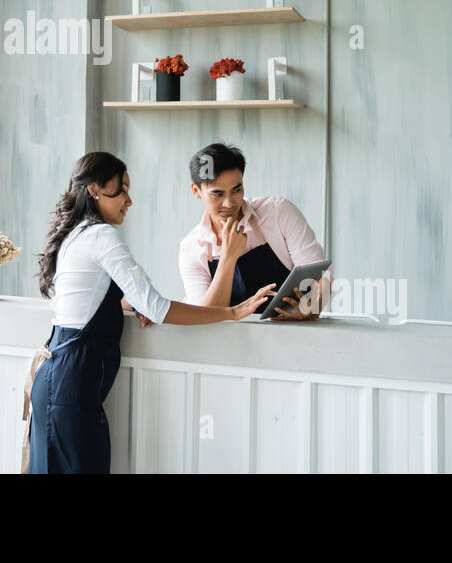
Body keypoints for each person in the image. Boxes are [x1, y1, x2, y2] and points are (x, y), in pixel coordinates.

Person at [24, 151, 276, 474]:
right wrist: (230, 312)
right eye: (122, 190)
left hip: (58, 382)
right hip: (70, 387)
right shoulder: (101, 236)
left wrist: (126, 303)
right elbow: (157, 307)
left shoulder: (76, 235)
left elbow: (86, 300)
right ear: (94, 191)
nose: (129, 200)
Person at [178, 142, 331, 318]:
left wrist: (312, 308)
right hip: (225, 342)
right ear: (196, 190)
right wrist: (228, 257)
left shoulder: (278, 212)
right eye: (218, 194)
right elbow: (204, 317)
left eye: (237, 190)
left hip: (289, 333)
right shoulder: (191, 248)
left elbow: (321, 277)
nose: (229, 203)